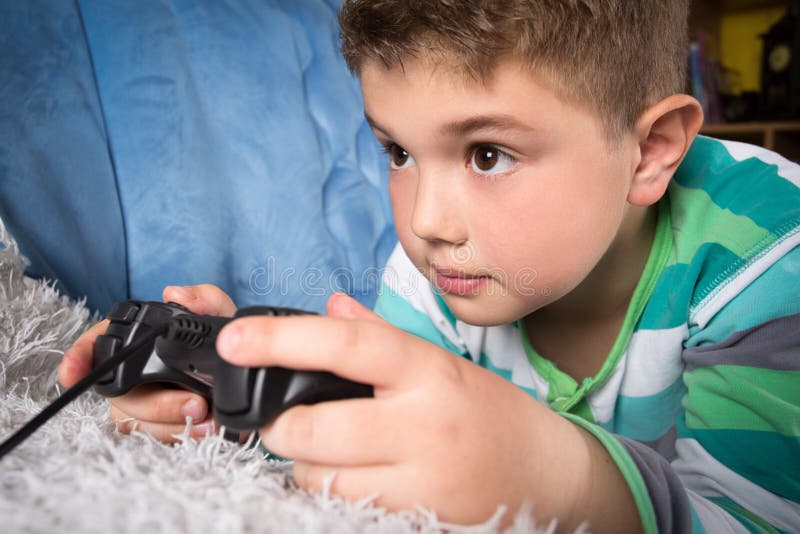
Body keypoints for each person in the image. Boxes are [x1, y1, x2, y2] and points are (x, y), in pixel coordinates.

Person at [59, 0, 800, 531]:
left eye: (488, 154)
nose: (424, 223)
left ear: (649, 152)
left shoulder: (768, 256)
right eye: (398, 152)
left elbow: (759, 518)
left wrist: (556, 476)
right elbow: (390, 441)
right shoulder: (442, 274)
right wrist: (244, 392)